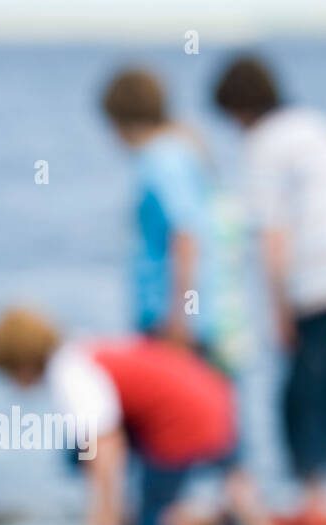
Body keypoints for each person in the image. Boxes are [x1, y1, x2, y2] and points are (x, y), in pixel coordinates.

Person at [214, 55, 326, 525]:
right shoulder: (317, 126)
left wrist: (278, 309)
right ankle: (324, 496)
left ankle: (313, 502)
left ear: (238, 108)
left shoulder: (264, 144)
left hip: (319, 279)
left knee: (301, 394)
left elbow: (272, 233)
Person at [0, 307, 282, 525]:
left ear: (20, 363)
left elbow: (105, 450)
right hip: (216, 395)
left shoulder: (70, 376)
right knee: (79, 450)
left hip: (181, 423)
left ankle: (214, 518)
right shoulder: (86, 348)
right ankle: (248, 514)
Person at [100, 68, 245, 373]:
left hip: (175, 327)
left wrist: (180, 320)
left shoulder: (161, 160)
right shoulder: (181, 152)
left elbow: (186, 235)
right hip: (197, 322)